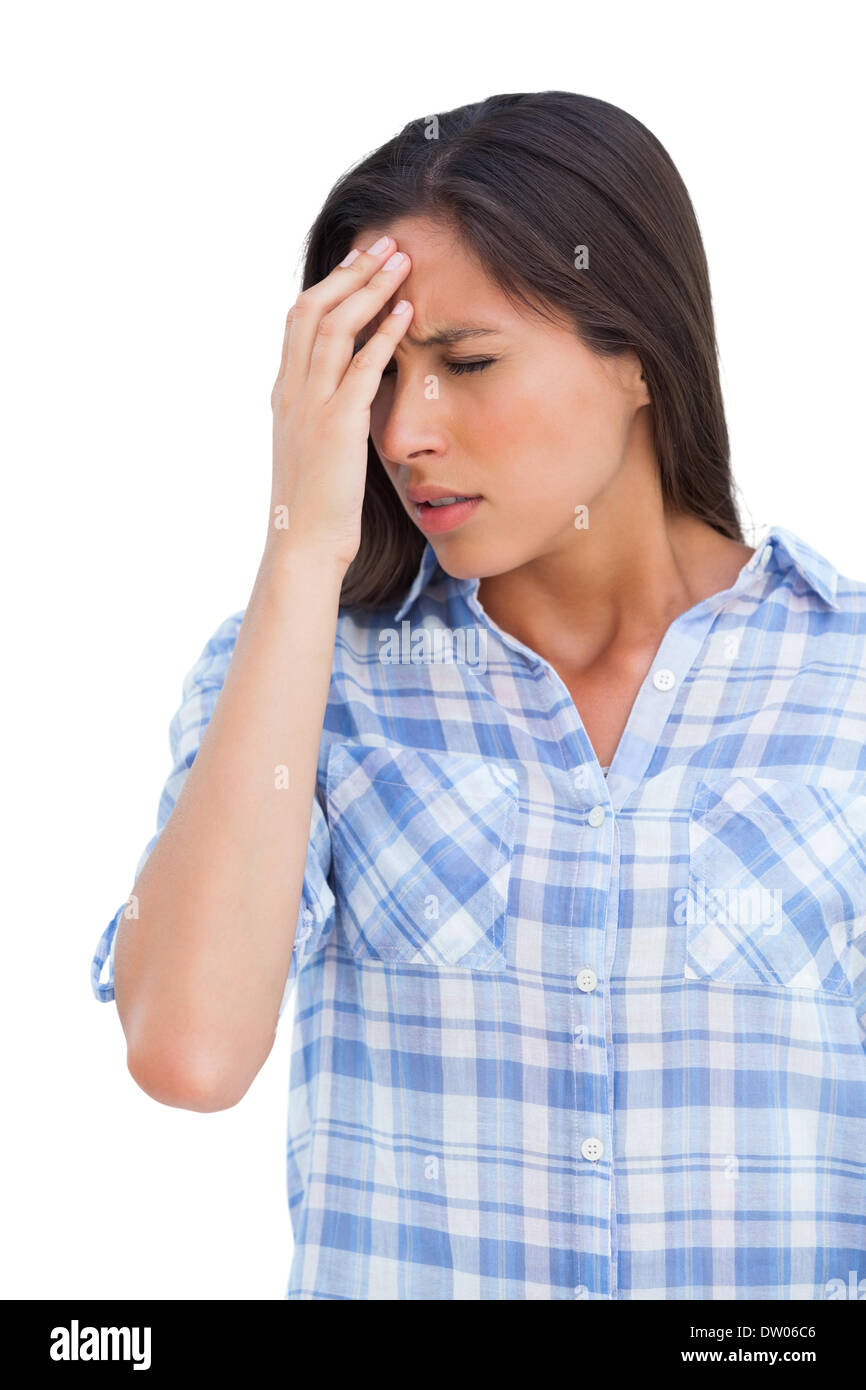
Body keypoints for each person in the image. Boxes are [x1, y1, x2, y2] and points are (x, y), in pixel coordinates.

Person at [90, 90, 866, 1300]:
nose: (404, 430)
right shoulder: (299, 678)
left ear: (636, 354)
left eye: (464, 363)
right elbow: (187, 1051)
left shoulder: (845, 683)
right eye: (372, 375)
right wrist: (302, 551)